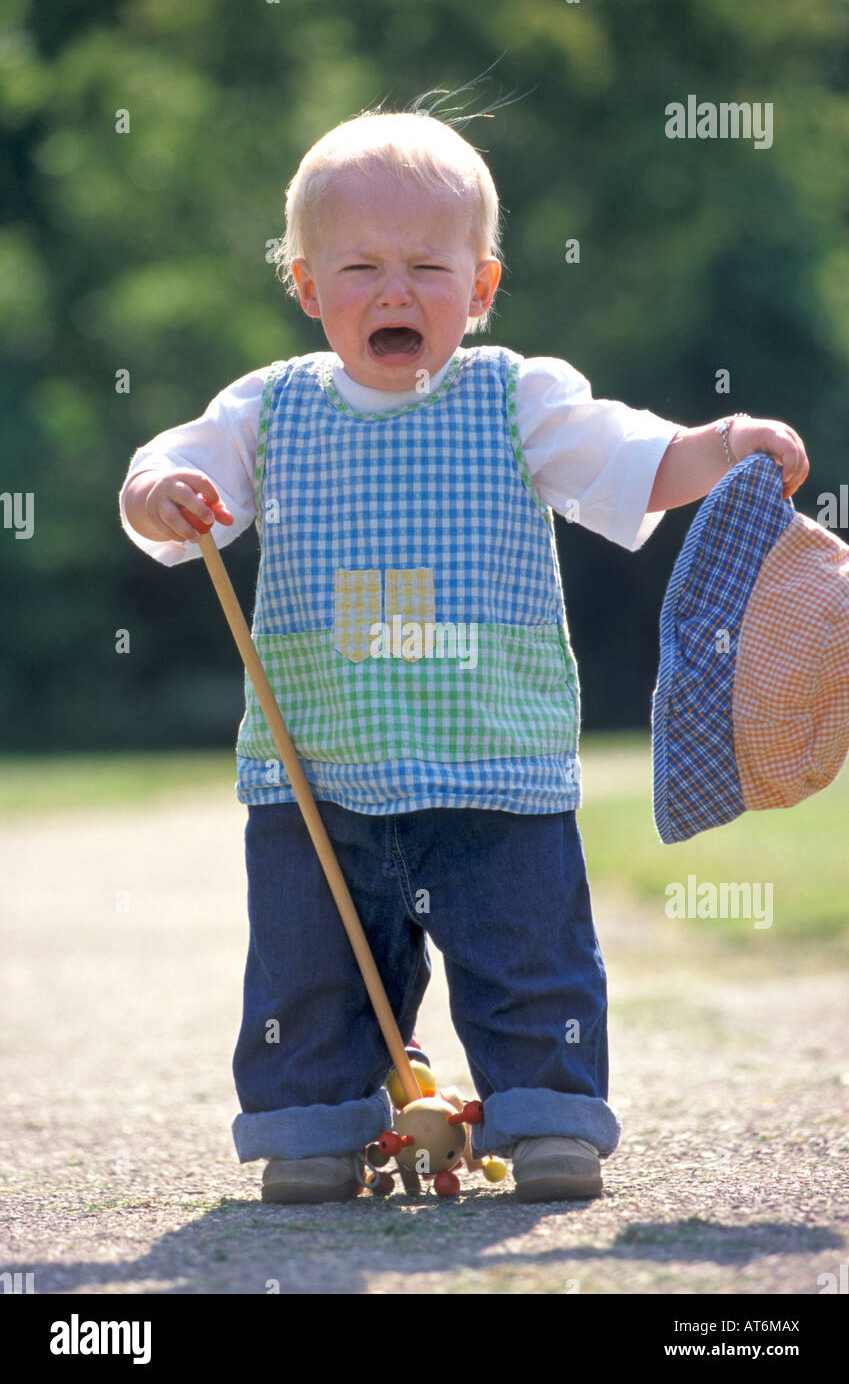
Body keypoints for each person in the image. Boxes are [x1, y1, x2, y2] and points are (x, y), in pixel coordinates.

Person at [119, 108, 808, 1204]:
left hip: (495, 765)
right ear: (305, 285)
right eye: (360, 268)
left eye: (428, 268)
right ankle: (312, 1122)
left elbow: (629, 453)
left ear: (481, 288)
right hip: (321, 776)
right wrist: (163, 497)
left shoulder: (515, 396)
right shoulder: (270, 409)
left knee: (530, 959)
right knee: (308, 969)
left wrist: (718, 447)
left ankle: (547, 1115)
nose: (395, 292)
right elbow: (171, 471)